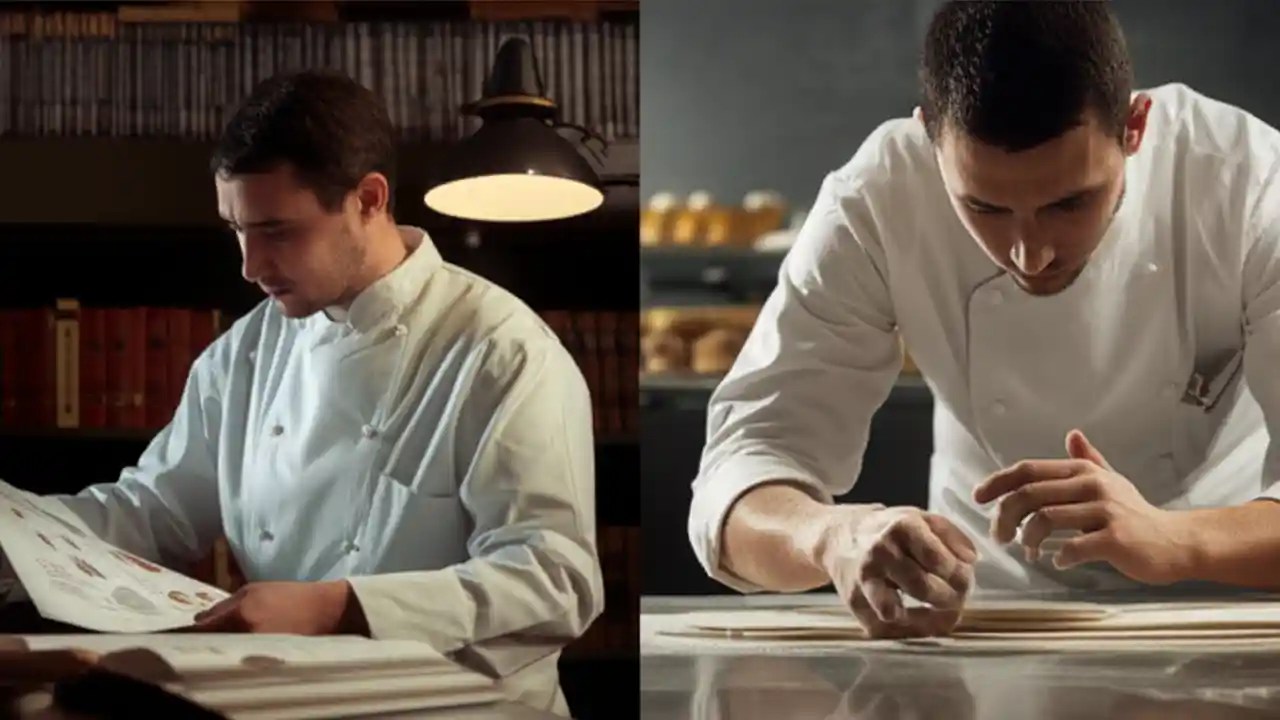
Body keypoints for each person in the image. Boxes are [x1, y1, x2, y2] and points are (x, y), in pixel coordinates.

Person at [4, 70, 603, 713]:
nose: (249, 265)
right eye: (236, 230)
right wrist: (16, 535)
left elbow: (556, 581)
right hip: (291, 702)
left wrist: (336, 607)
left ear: (368, 200)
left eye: (277, 231)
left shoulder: (501, 351)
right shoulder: (244, 355)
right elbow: (151, 509)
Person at [689, 0, 1280, 638]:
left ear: (1135, 128)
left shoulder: (1248, 185)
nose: (1031, 253)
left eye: (1069, 203)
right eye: (986, 208)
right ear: (929, 139)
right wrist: (833, 537)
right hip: (984, 611)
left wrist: (1175, 540)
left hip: (1224, 601)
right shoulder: (875, 199)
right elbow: (738, 478)